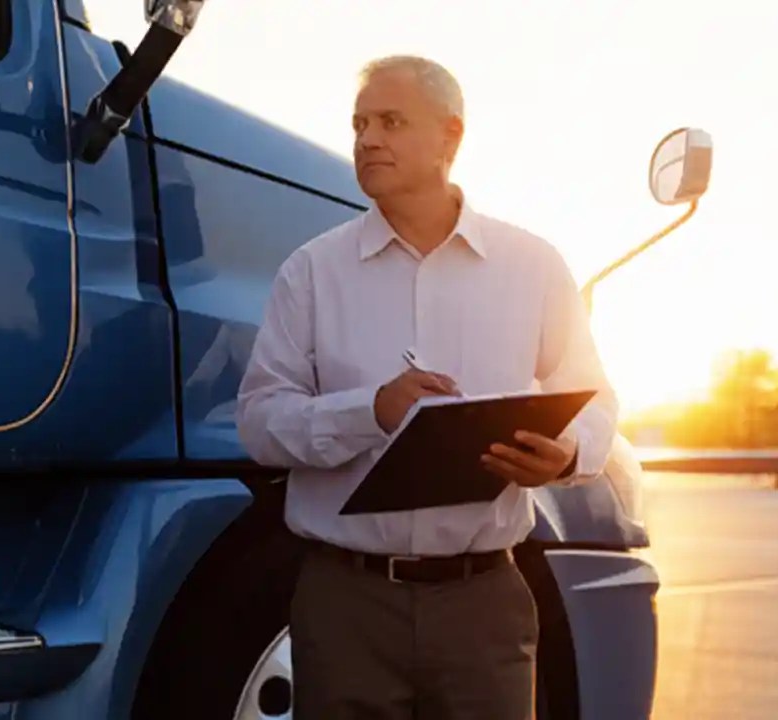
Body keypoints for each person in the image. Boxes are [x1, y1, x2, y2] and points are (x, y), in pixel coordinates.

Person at [234, 55, 619, 720]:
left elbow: (593, 396)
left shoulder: (534, 266)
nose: (367, 139)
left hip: (485, 604)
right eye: (359, 124)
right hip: (345, 604)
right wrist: (371, 411)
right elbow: (260, 423)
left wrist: (569, 453)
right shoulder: (312, 272)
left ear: (451, 136)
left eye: (390, 121)